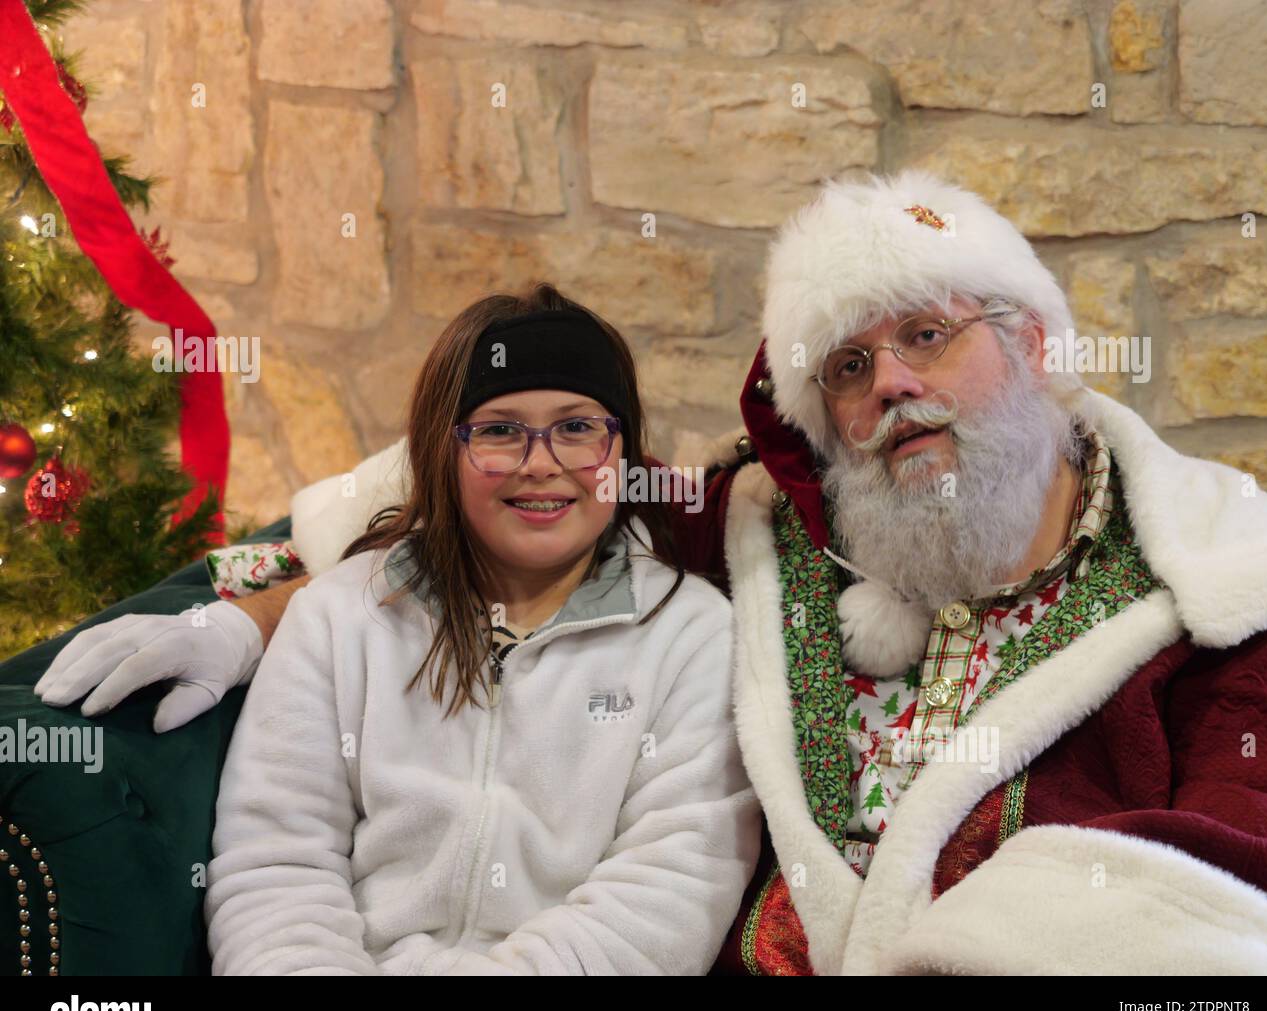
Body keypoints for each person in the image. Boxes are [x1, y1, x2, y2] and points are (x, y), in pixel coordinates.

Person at [40, 172, 1267, 975]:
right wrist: (248, 613)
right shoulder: (770, 535)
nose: (892, 386)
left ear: (1028, 342)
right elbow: (490, 498)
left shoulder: (1217, 584)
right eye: (847, 368)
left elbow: (1234, 882)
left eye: (926, 335)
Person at [51, 283, 761, 975]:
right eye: (499, 431)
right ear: (440, 453)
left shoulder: (692, 636)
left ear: (622, 454)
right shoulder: (340, 617)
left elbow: (669, 893)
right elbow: (277, 862)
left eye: (578, 428)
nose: (541, 462)